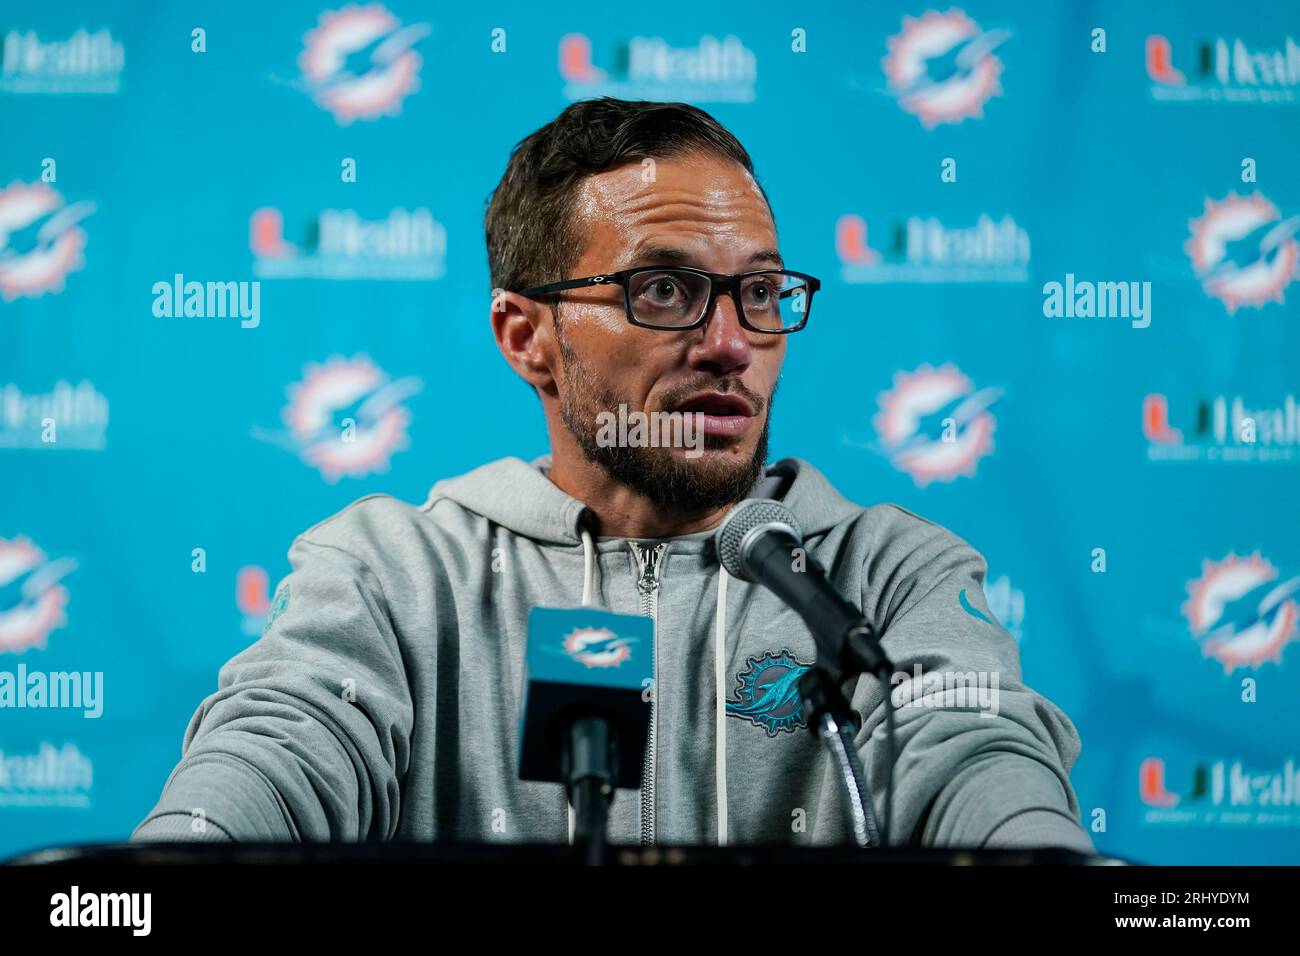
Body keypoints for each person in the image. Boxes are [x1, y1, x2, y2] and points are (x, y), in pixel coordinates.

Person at [134, 97, 1094, 852]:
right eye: (664, 290)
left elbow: (977, 756)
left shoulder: (890, 575)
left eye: (759, 293)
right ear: (527, 336)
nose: (730, 345)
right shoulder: (391, 573)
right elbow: (280, 746)